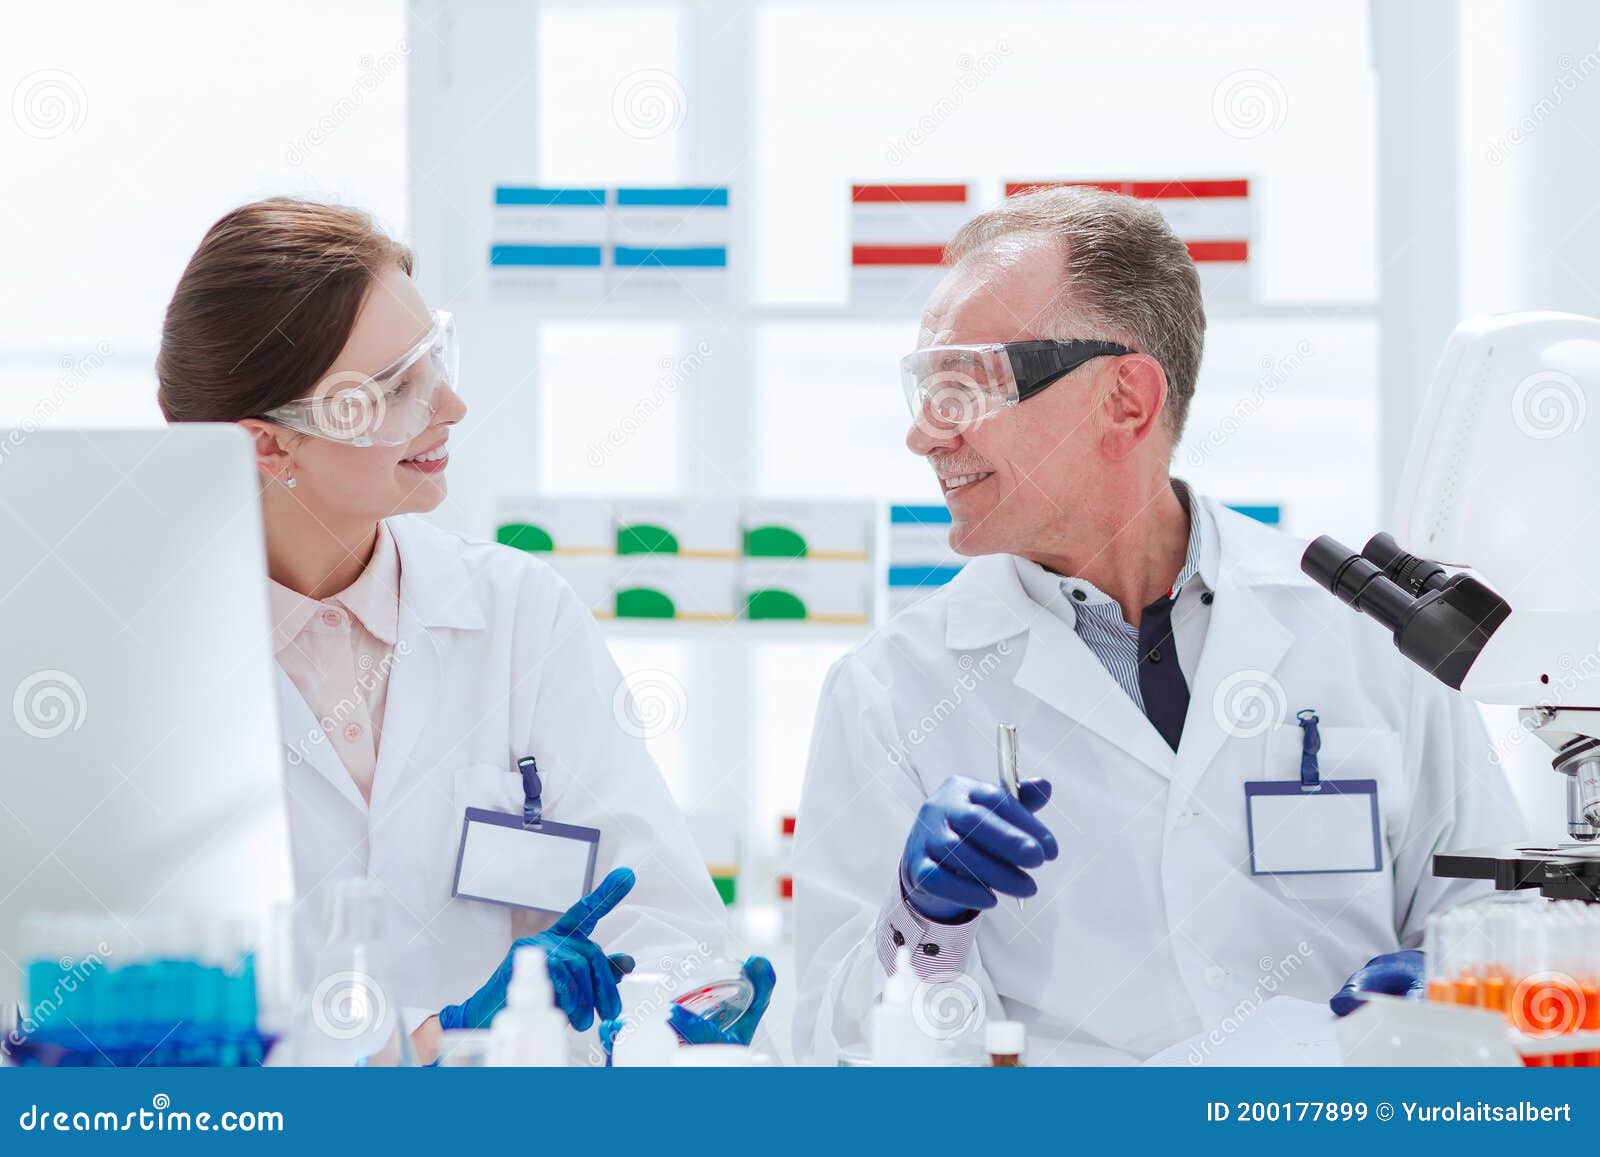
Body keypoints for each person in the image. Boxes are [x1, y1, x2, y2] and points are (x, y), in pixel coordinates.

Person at [791, 186, 1525, 1065]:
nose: (923, 434)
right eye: (925, 389)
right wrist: (917, 922)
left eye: (964, 386)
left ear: (1126, 400)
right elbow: (830, 1049)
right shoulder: (889, 687)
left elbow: (1500, 921)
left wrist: (1449, 987)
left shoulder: (1362, 631)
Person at [156, 197, 772, 1064]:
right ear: (268, 444)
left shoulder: (519, 611)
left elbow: (665, 919)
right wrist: (430, 1043)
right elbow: (132, 1028)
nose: (451, 403)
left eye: (435, 356)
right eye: (393, 387)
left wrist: (680, 1011)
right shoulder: (148, 670)